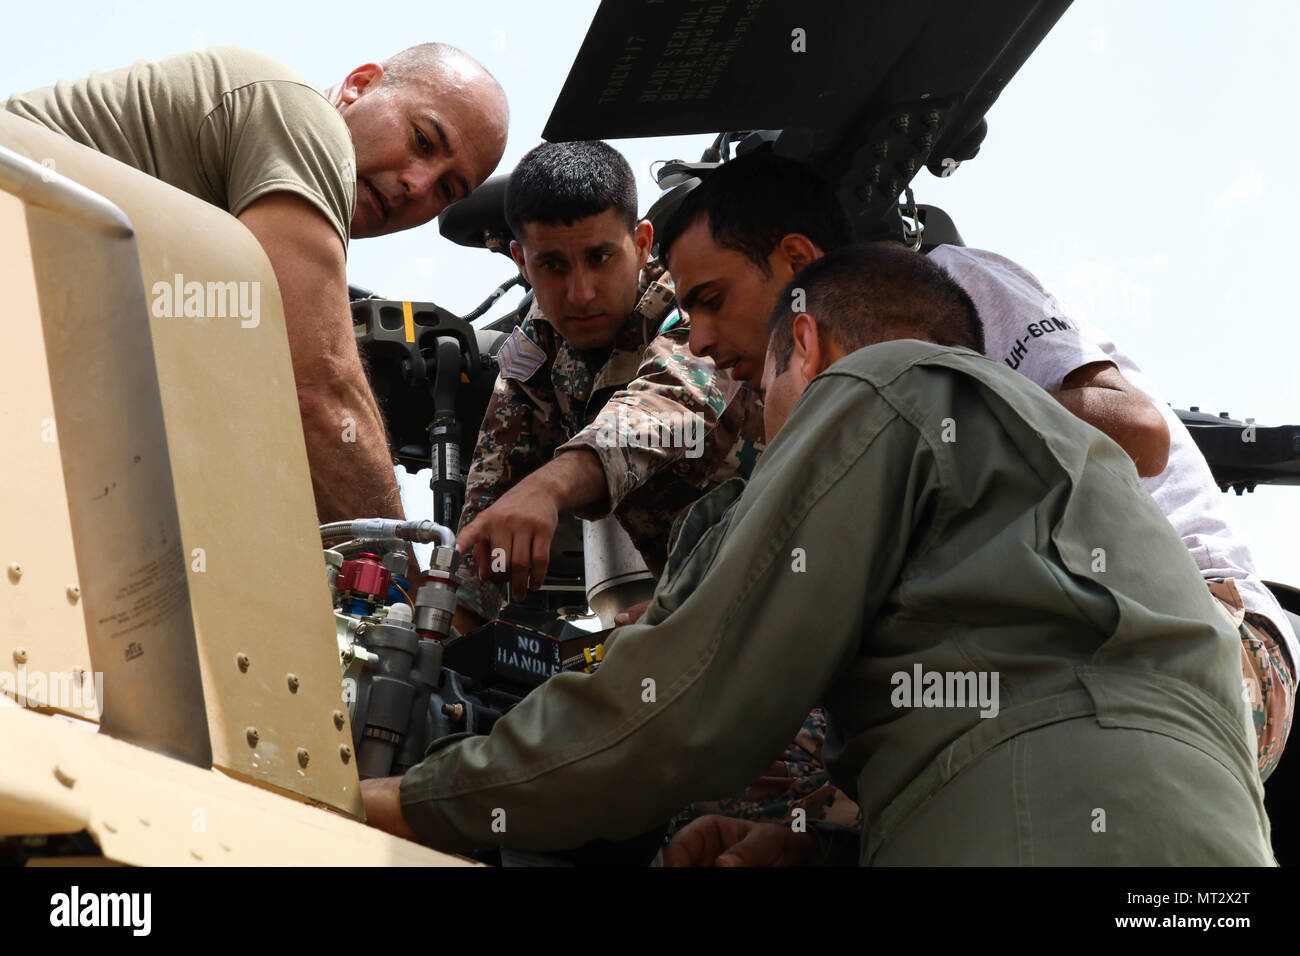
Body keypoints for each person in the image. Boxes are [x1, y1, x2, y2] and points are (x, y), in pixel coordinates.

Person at [361, 244, 1273, 866]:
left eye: (760, 384)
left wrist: (410, 802)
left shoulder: (884, 382)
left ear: (806, 343)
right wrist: (818, 836)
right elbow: (1016, 695)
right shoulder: (1057, 470)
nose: (755, 419)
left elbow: (681, 707)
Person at [658, 151, 1296, 779]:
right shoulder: (786, 410)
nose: (702, 341)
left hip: (1206, 629)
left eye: (712, 299)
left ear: (795, 262)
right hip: (1061, 657)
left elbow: (1138, 430)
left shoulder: (946, 281)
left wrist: (910, 432)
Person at [4, 44, 509, 525]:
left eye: (446, 190)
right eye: (422, 140)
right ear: (359, 85)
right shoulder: (300, 114)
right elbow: (318, 389)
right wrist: (401, 580)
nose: (417, 185)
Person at [450, 140, 763, 633]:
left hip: (799, 576)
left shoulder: (691, 302)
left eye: (600, 258)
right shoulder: (535, 352)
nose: (580, 293)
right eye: (552, 265)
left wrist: (549, 487)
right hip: (702, 611)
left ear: (641, 243)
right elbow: (490, 519)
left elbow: (670, 407)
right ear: (520, 261)